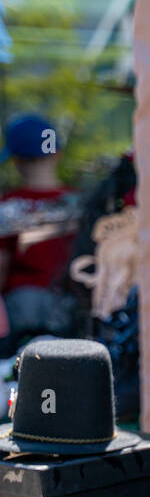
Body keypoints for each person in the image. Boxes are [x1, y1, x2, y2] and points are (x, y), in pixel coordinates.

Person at [0, 113, 79, 355]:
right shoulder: (79, 204)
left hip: (22, 304)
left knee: (20, 367)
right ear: (57, 153)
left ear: (17, 160)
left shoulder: (9, 205)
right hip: (70, 303)